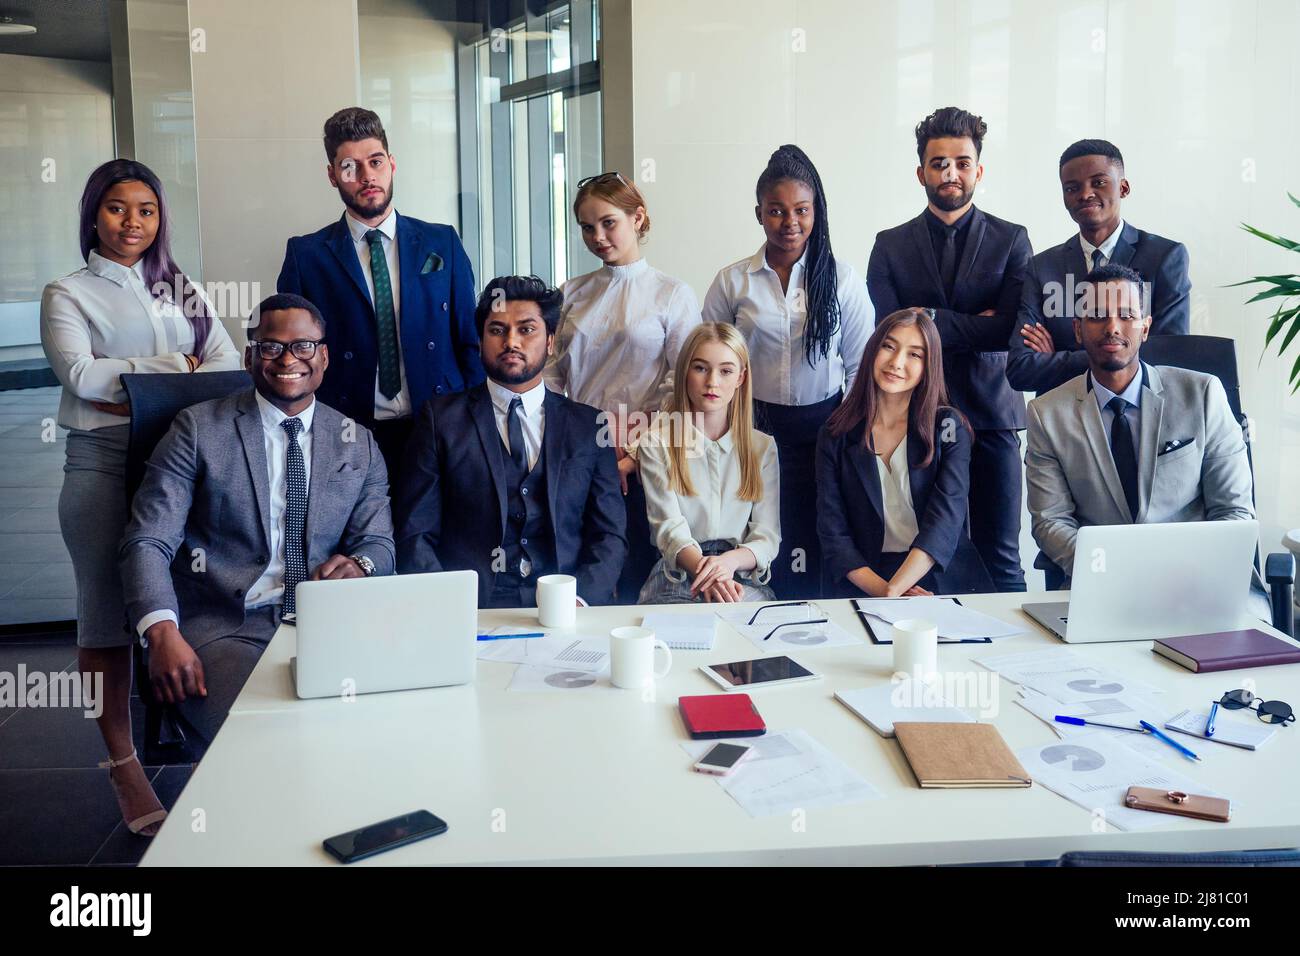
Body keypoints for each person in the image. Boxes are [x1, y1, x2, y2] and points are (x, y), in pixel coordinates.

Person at [40, 158, 240, 837]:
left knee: (179, 605)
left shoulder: (177, 286)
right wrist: (170, 369)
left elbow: (227, 363)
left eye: (147, 210)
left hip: (179, 463)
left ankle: (185, 736)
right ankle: (124, 769)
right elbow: (81, 376)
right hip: (101, 464)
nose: (134, 222)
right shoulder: (66, 293)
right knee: (106, 620)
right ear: (94, 214)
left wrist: (144, 380)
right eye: (119, 208)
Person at [120, 294, 395, 749]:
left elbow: (378, 542)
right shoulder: (197, 429)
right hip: (225, 626)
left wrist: (361, 565)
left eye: (303, 346)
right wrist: (160, 630)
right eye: (271, 347)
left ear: (323, 356)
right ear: (250, 357)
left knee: (382, 726)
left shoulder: (357, 442)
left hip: (329, 623)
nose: (288, 359)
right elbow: (148, 539)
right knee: (269, 742)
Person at [866, 107, 1033, 592]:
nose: (950, 173)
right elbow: (890, 334)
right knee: (935, 555)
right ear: (921, 172)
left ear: (978, 169)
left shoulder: (1012, 240)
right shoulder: (889, 245)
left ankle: (1014, 664)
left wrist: (931, 321)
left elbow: (1010, 330)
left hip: (993, 417)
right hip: (918, 418)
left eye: (962, 162)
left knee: (1001, 553)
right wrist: (973, 324)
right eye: (939, 163)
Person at [701, 144, 873, 600]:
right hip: (754, 427)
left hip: (826, 427)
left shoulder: (841, 279)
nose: (790, 222)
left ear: (816, 211)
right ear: (759, 213)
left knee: (818, 532)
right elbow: (709, 363)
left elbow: (859, 363)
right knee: (758, 531)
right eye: (776, 211)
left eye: (801, 210)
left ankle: (814, 630)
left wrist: (852, 429)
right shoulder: (732, 281)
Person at [277, 107, 484, 484]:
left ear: (391, 163)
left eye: (375, 161)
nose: (367, 176)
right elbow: (293, 358)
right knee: (358, 541)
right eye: (350, 166)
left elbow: (469, 341)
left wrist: (474, 423)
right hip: (346, 432)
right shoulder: (306, 256)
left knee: (429, 539)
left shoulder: (443, 243)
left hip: (439, 427)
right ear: (332, 175)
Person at [395, 275, 626, 609]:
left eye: (526, 329)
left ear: (549, 342)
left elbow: (609, 535)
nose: (511, 342)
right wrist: (447, 604)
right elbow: (415, 531)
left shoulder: (590, 426)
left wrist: (580, 599)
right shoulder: (439, 420)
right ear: (479, 340)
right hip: (470, 607)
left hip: (565, 604)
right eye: (497, 330)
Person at [1025, 265, 1252, 589]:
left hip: (1201, 582)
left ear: (1145, 327)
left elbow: (1234, 513)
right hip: (1101, 586)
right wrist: (1115, 575)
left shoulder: (1202, 394)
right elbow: (1051, 522)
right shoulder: (1046, 415)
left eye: (1127, 315)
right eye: (1098, 315)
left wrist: (1186, 576)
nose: (1112, 327)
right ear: (1078, 329)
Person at [545, 171, 701, 602]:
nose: (598, 236)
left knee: (635, 572)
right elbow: (554, 376)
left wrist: (635, 453)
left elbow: (684, 386)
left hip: (641, 456)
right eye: (587, 227)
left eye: (608, 222)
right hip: (574, 451)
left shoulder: (673, 294)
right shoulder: (571, 294)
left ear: (638, 218)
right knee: (577, 569)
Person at [817, 308, 984, 598]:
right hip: (863, 579)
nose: (896, 362)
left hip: (934, 574)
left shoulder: (948, 427)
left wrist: (897, 587)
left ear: (929, 366)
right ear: (872, 351)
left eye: (914, 355)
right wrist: (888, 593)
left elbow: (944, 520)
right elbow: (834, 535)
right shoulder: (835, 434)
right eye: (888, 347)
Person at [1008, 139, 1191, 396]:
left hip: (1144, 414)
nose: (1085, 194)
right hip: (1063, 419)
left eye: (1099, 182)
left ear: (1124, 187)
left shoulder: (1164, 258)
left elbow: (1171, 358)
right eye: (1072, 188)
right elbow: (1020, 368)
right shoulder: (1043, 267)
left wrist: (1060, 357)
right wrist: (1120, 352)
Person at [636, 323, 780, 604]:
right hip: (678, 571)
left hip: (737, 571)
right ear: (685, 373)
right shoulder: (657, 443)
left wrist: (726, 565)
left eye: (726, 371)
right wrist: (709, 572)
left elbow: (767, 535)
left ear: (740, 377)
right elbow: (669, 530)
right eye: (701, 368)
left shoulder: (762, 447)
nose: (712, 381)